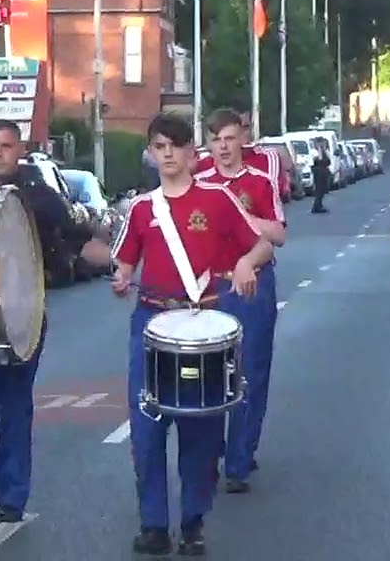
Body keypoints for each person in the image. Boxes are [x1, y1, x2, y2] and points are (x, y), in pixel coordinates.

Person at [113, 113, 275, 556]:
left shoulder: (218, 199)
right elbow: (125, 262)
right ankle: (153, 525)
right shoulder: (142, 209)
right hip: (151, 323)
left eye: (175, 146)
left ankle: (192, 522)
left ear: (190, 153)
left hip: (203, 321)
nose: (167, 154)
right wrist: (121, 278)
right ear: (151, 154)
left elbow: (261, 243)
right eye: (159, 147)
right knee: (146, 428)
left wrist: (246, 263)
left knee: (200, 428)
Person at [0, 120, 110, 526]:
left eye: (6, 146)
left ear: (20, 150)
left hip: (26, 312)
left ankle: (13, 496)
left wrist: (113, 257)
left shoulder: (41, 196)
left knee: (16, 407)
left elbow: (77, 234)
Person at [194, 108, 286, 493]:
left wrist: (237, 215)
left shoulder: (259, 181)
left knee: (249, 372)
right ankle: (208, 455)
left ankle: (239, 459)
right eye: (216, 140)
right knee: (209, 374)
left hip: (252, 284)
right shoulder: (198, 181)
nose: (223, 147)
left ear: (242, 140)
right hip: (210, 284)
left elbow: (278, 234)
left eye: (230, 139)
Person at [310, 141, 332, 213]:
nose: (323, 145)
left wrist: (325, 151)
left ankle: (319, 205)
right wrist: (320, 150)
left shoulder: (324, 151)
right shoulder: (314, 151)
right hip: (318, 173)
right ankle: (316, 207)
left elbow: (328, 161)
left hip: (323, 173)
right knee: (319, 190)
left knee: (322, 190)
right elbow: (319, 160)